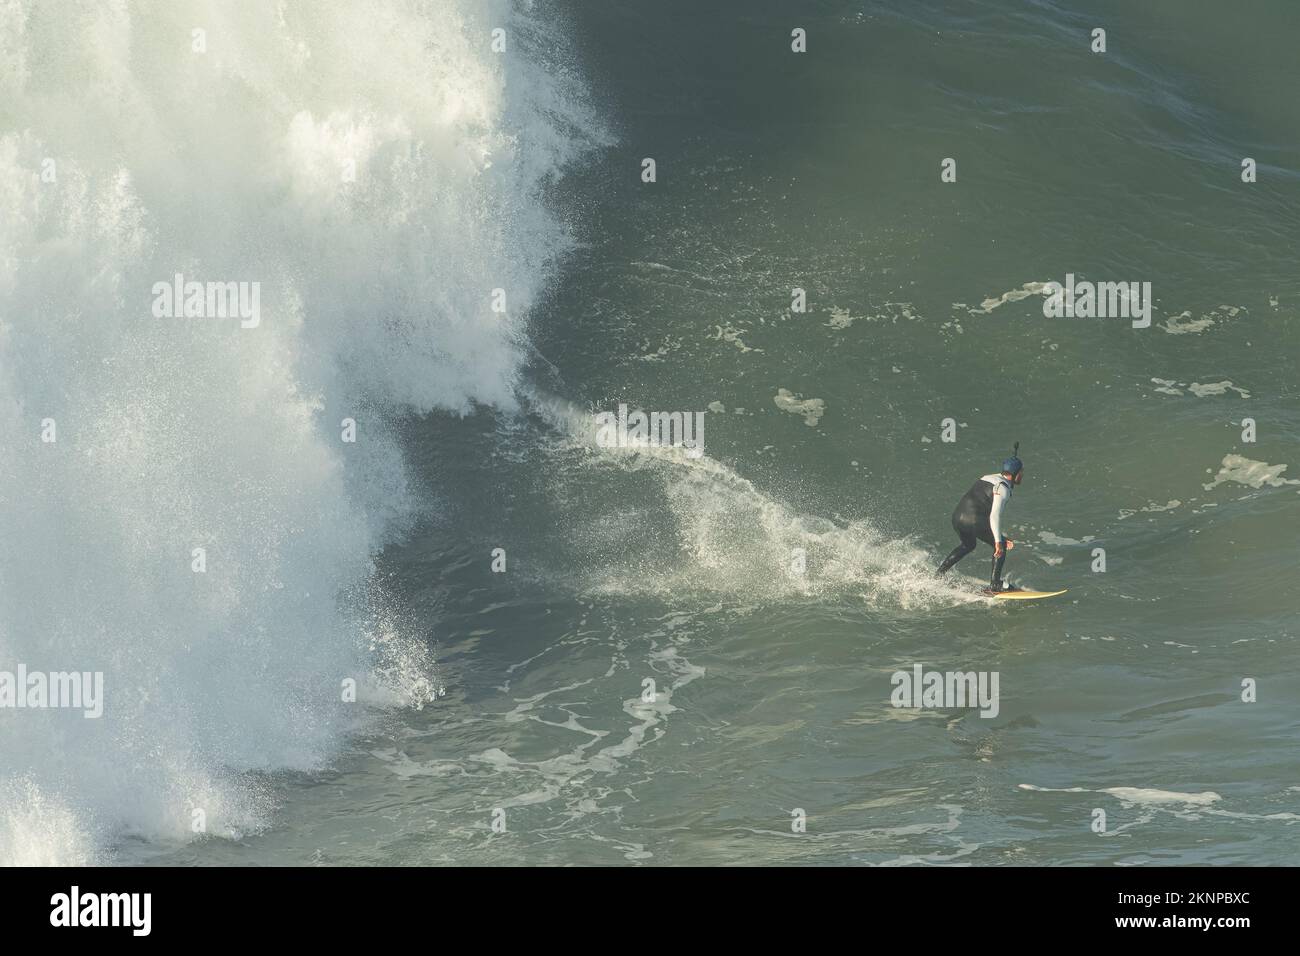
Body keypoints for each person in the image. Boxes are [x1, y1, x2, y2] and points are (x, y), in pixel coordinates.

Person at [936, 453, 1024, 592]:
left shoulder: (987, 477)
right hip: (974, 521)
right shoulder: (1002, 488)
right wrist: (998, 541)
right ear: (1014, 474)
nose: (1022, 476)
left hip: (957, 518)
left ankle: (939, 574)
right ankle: (995, 584)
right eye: (1021, 472)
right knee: (1001, 546)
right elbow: (995, 516)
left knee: (968, 545)